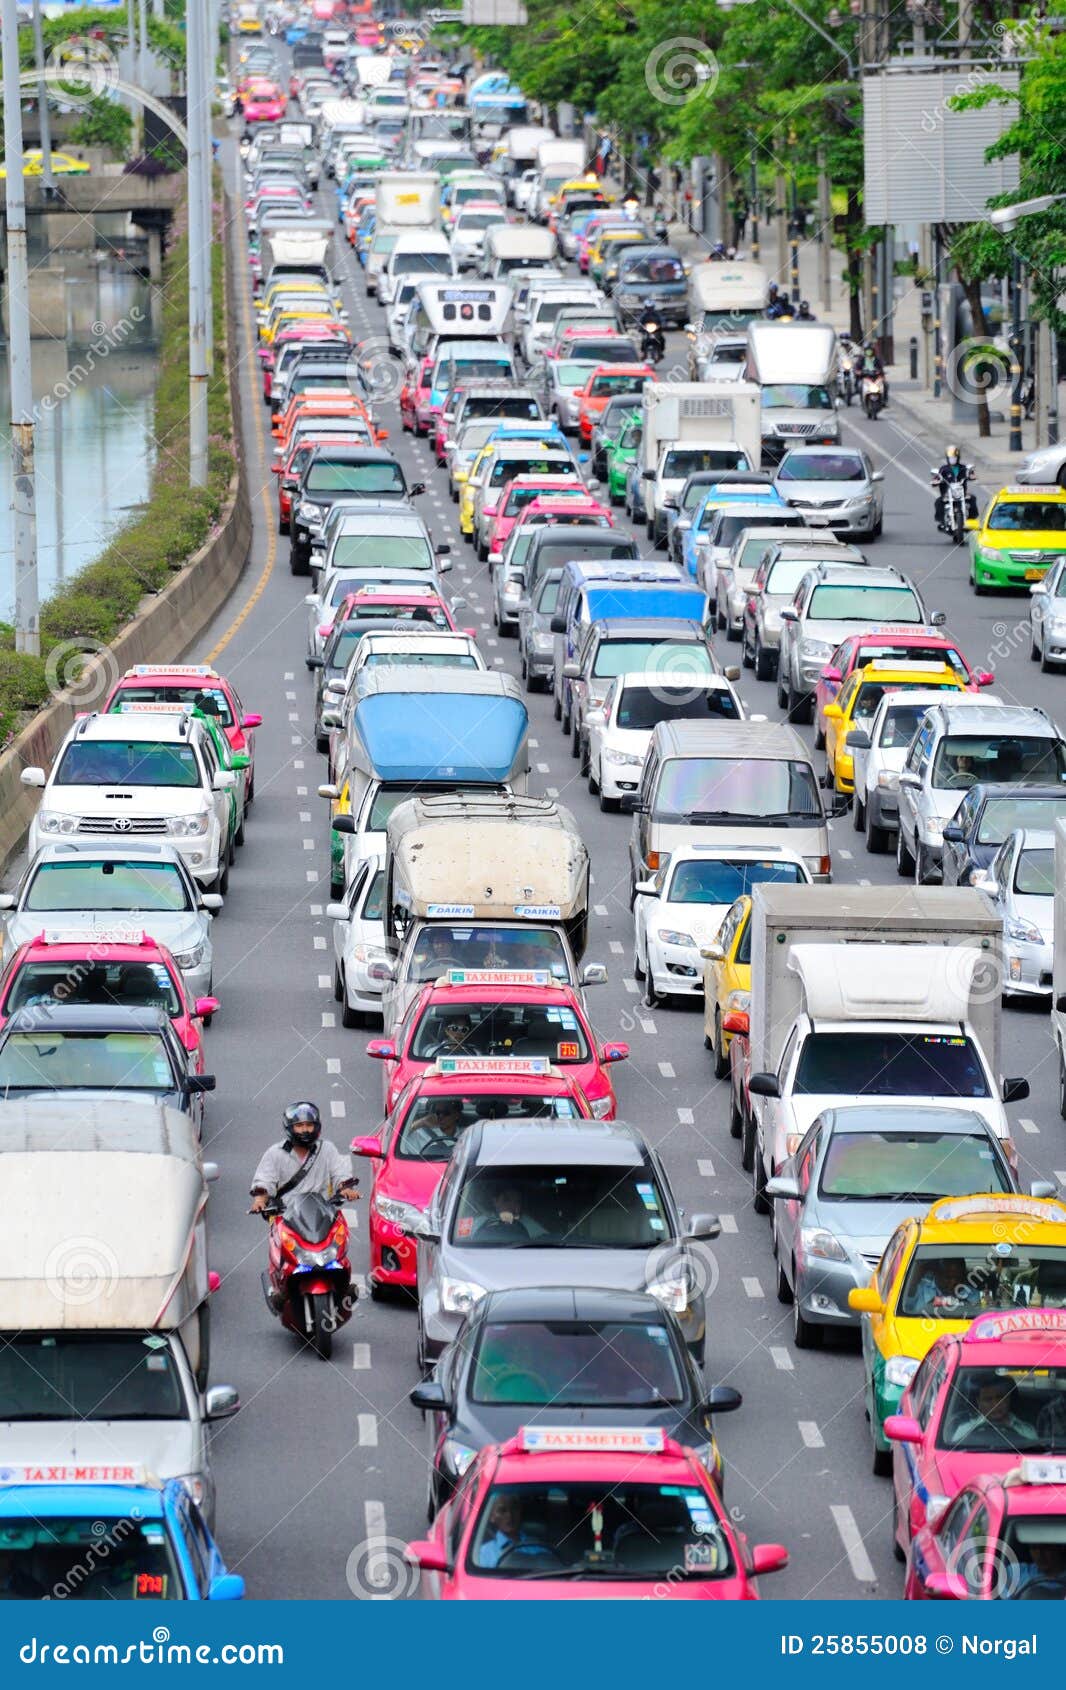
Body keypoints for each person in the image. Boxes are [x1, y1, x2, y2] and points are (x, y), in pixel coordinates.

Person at [250, 1102, 359, 1213]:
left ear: (316, 1126)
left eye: (309, 1125)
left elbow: (340, 1173)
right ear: (290, 1128)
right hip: (285, 1216)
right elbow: (264, 1180)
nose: (305, 1130)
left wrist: (346, 1189)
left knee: (341, 1229)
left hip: (324, 1214)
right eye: (299, 1125)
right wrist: (260, 1200)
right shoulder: (275, 1153)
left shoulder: (327, 1149)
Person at [948, 1379, 1037, 1448]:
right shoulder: (964, 1430)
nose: (995, 1404)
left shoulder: (1026, 1431)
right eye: (988, 1399)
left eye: (1000, 1397)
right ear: (979, 1403)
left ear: (1008, 1399)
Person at [477, 1495, 547, 1568]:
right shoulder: (484, 1553)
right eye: (502, 1510)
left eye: (514, 1508)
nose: (509, 1515)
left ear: (520, 1511)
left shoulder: (537, 1546)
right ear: (492, 1517)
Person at [908, 1258, 978, 1316]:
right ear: (937, 1274)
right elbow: (907, 1314)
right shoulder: (921, 1290)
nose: (953, 1282)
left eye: (957, 1277)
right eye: (948, 1277)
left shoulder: (971, 1294)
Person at [934, 445, 976, 527]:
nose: (953, 460)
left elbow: (970, 474)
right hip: (947, 493)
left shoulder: (963, 468)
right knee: (939, 502)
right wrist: (936, 481)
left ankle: (971, 519)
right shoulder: (944, 469)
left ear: (958, 458)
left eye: (954, 458)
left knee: (972, 499)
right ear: (947, 458)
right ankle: (942, 521)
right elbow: (937, 477)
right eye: (951, 458)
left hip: (961, 492)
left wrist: (971, 476)